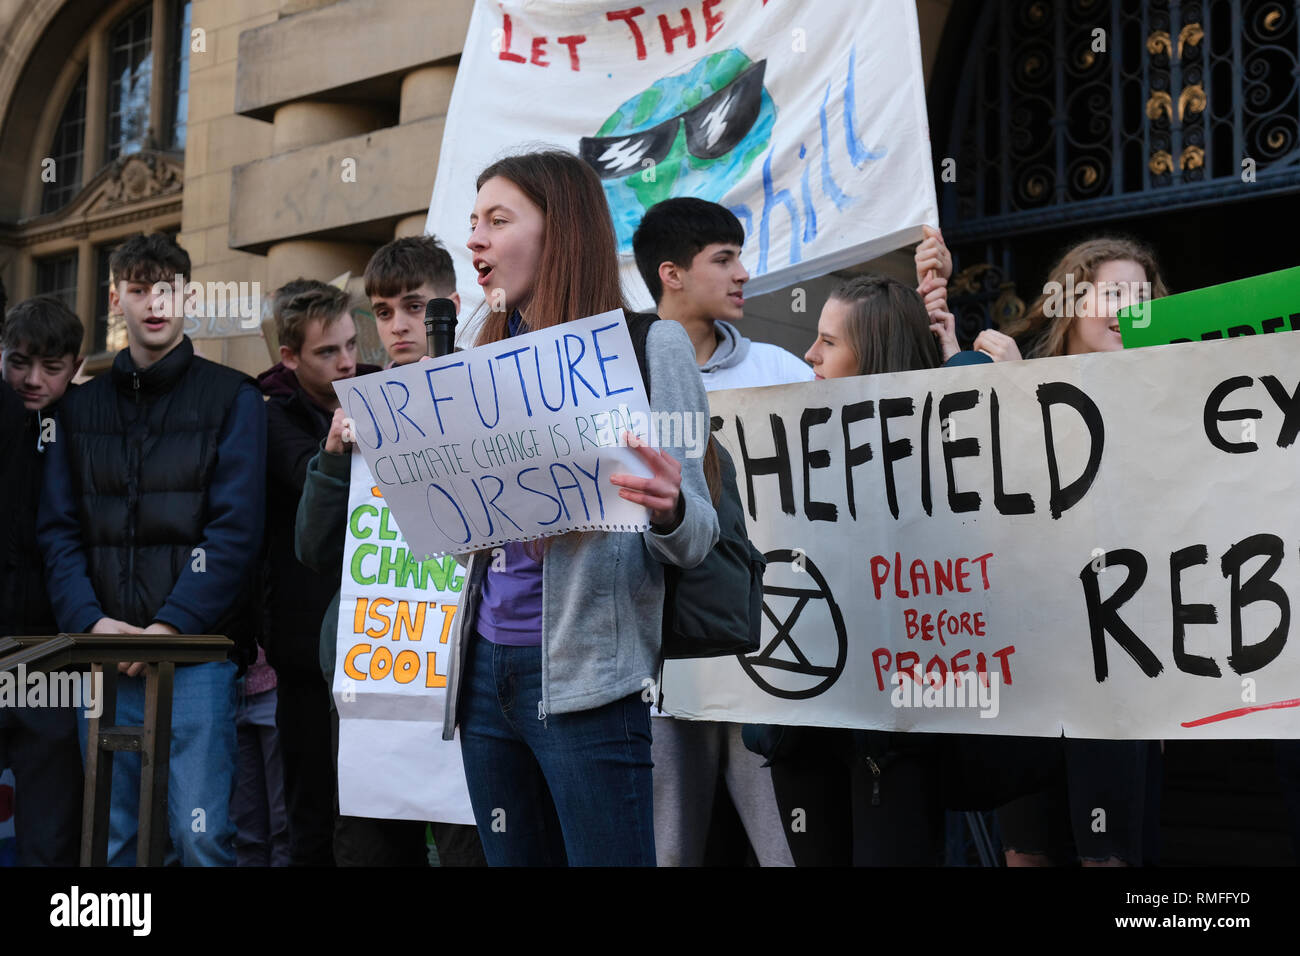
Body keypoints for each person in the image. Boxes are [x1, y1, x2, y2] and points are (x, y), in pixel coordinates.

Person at [425, 150, 718, 867]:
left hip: (584, 683)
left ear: (561, 233)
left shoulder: (654, 346)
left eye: (498, 220)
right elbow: (471, 538)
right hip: (484, 681)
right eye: (473, 224)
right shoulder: (480, 352)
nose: (476, 241)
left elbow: (700, 535)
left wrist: (669, 506)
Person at [928, 233, 1168, 866]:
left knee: (1107, 858)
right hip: (1030, 674)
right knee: (1027, 854)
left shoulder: (1168, 397)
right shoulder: (1019, 378)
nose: (1127, 308)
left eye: (1142, 297)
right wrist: (969, 364)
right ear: (1068, 303)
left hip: (1118, 672)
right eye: (1111, 293)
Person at [37, 232, 266, 866]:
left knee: (201, 837)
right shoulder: (77, 411)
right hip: (105, 657)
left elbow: (235, 530)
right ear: (116, 299)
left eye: (166, 289)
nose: (154, 304)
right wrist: (91, 623)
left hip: (196, 658)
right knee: (113, 842)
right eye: (139, 290)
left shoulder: (234, 397)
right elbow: (58, 530)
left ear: (188, 296)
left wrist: (170, 626)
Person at [762, 273, 970, 866]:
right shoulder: (784, 444)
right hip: (801, 728)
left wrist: (962, 358)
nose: (810, 355)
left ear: (873, 354)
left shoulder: (941, 458)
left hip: (894, 735)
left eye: (828, 342)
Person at [293, 236, 484, 867]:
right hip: (372, 669)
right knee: (369, 850)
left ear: (452, 307)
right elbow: (313, 550)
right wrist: (331, 459)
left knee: (466, 842)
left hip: (467, 671)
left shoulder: (490, 397)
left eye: (413, 307)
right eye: (382, 311)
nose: (398, 326)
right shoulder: (360, 411)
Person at [631, 197, 807, 867]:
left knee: (781, 849)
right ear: (671, 273)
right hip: (663, 660)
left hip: (768, 657)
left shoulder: (784, 374)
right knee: (667, 851)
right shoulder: (626, 374)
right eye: (724, 259)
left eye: (740, 256)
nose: (743, 274)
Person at [0, 296, 84, 866]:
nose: (32, 380)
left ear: (76, 365)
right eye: (18, 363)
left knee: (49, 833)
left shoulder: (88, 423)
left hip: (56, 653)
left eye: (51, 368)